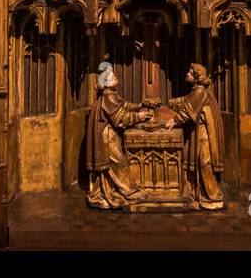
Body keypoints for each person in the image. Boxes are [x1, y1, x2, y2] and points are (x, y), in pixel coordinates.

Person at [86, 66, 155, 208]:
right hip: (106, 136)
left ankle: (107, 190)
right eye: (112, 77)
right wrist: (139, 116)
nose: (116, 77)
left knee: (113, 165)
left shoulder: (112, 94)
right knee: (118, 164)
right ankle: (128, 191)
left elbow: (124, 106)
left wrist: (139, 106)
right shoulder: (108, 96)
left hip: (110, 134)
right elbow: (120, 117)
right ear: (105, 82)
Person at [163, 63, 223, 209]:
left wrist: (173, 120)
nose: (187, 75)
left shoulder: (200, 91)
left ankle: (212, 196)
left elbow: (187, 111)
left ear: (196, 77)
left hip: (204, 133)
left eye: (190, 73)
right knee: (198, 161)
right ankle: (199, 193)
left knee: (204, 163)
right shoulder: (197, 91)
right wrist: (172, 103)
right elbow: (187, 100)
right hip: (199, 131)